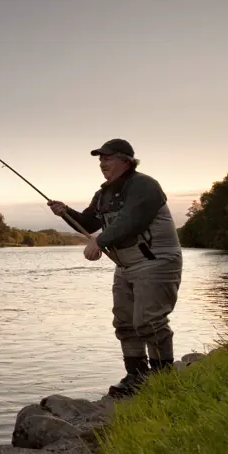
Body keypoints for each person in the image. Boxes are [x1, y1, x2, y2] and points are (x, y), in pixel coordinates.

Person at [48, 139, 183, 398]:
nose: (102, 164)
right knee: (124, 321)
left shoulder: (145, 185)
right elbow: (87, 222)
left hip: (156, 261)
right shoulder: (104, 194)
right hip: (125, 266)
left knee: (150, 321)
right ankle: (137, 376)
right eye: (100, 159)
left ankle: (164, 380)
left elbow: (130, 221)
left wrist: (99, 242)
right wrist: (65, 212)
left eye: (107, 158)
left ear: (125, 160)